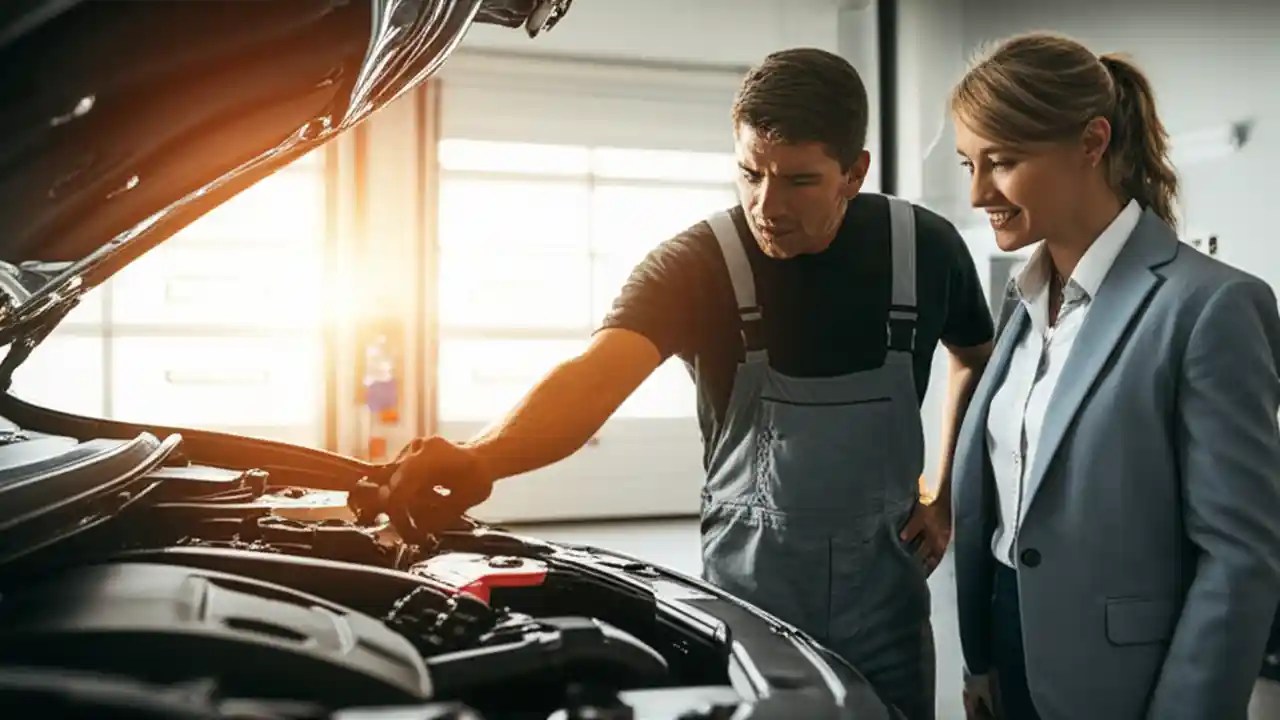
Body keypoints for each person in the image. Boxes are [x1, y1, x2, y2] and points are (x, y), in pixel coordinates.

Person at [386, 48, 995, 720]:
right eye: (749, 173)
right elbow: (591, 381)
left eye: (799, 181)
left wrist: (943, 494)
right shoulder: (698, 265)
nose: (768, 206)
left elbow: (976, 356)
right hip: (748, 625)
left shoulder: (926, 250)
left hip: (888, 619)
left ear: (854, 173)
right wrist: (481, 459)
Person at [948, 31, 1280, 719]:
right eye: (967, 163)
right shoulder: (1023, 297)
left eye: (1002, 162)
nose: (979, 191)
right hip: (1011, 653)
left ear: (1092, 142)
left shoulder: (1211, 306)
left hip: (1128, 682)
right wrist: (983, 665)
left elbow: (1241, 558)